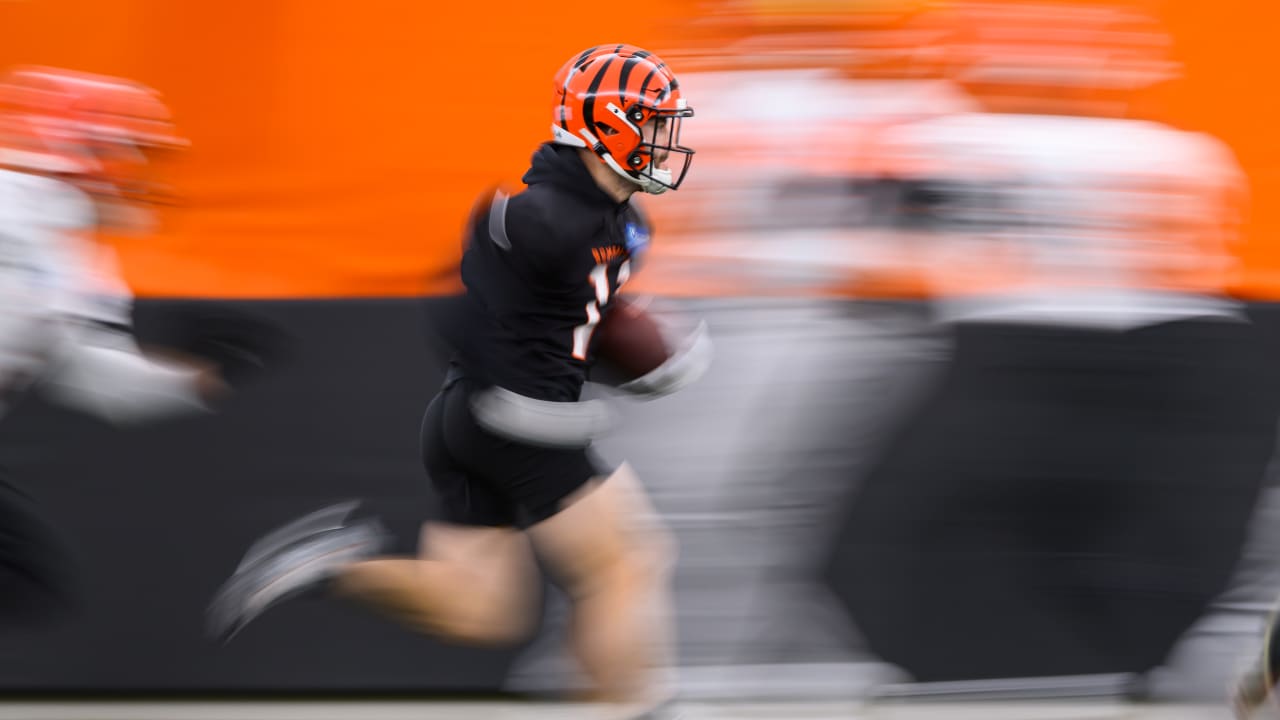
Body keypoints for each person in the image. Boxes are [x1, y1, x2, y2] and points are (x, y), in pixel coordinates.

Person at [208, 44, 706, 718]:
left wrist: (637, 356)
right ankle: (639, 708)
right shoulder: (538, 218)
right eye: (651, 124)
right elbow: (462, 307)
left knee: (481, 610)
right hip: (518, 423)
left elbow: (581, 316)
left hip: (472, 420)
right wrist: (532, 392)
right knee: (626, 564)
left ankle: (332, 565)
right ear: (609, 125)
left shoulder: (614, 220)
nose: (663, 141)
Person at [0, 66, 280, 627]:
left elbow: (101, 383)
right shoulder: (15, 212)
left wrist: (202, 373)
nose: (142, 175)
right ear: (85, 149)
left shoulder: (73, 257)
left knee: (20, 582)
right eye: (135, 154)